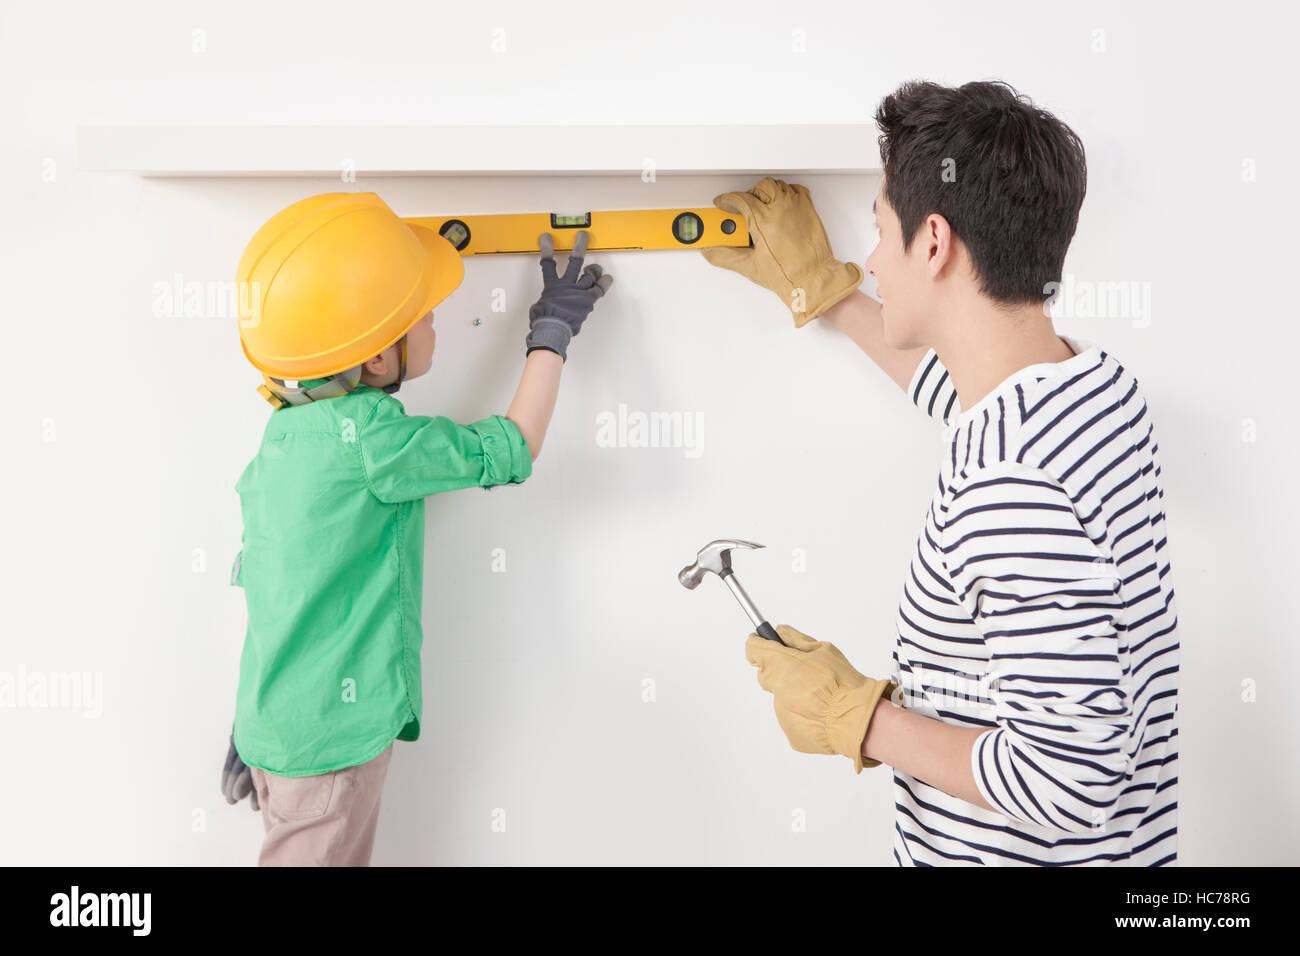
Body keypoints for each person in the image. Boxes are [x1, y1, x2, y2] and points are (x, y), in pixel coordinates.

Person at [703, 79, 1179, 866]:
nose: (873, 259)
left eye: (880, 234)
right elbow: (965, 393)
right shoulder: (1093, 391)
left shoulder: (1009, 483)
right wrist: (827, 291)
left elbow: (1071, 781)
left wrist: (854, 717)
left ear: (934, 241)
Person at [218, 191, 612, 865]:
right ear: (376, 361)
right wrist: (552, 333)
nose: (435, 324)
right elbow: (512, 448)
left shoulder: (282, 437)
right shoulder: (374, 439)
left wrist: (251, 728)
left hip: (277, 731)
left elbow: (269, 584)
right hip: (329, 748)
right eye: (422, 315)